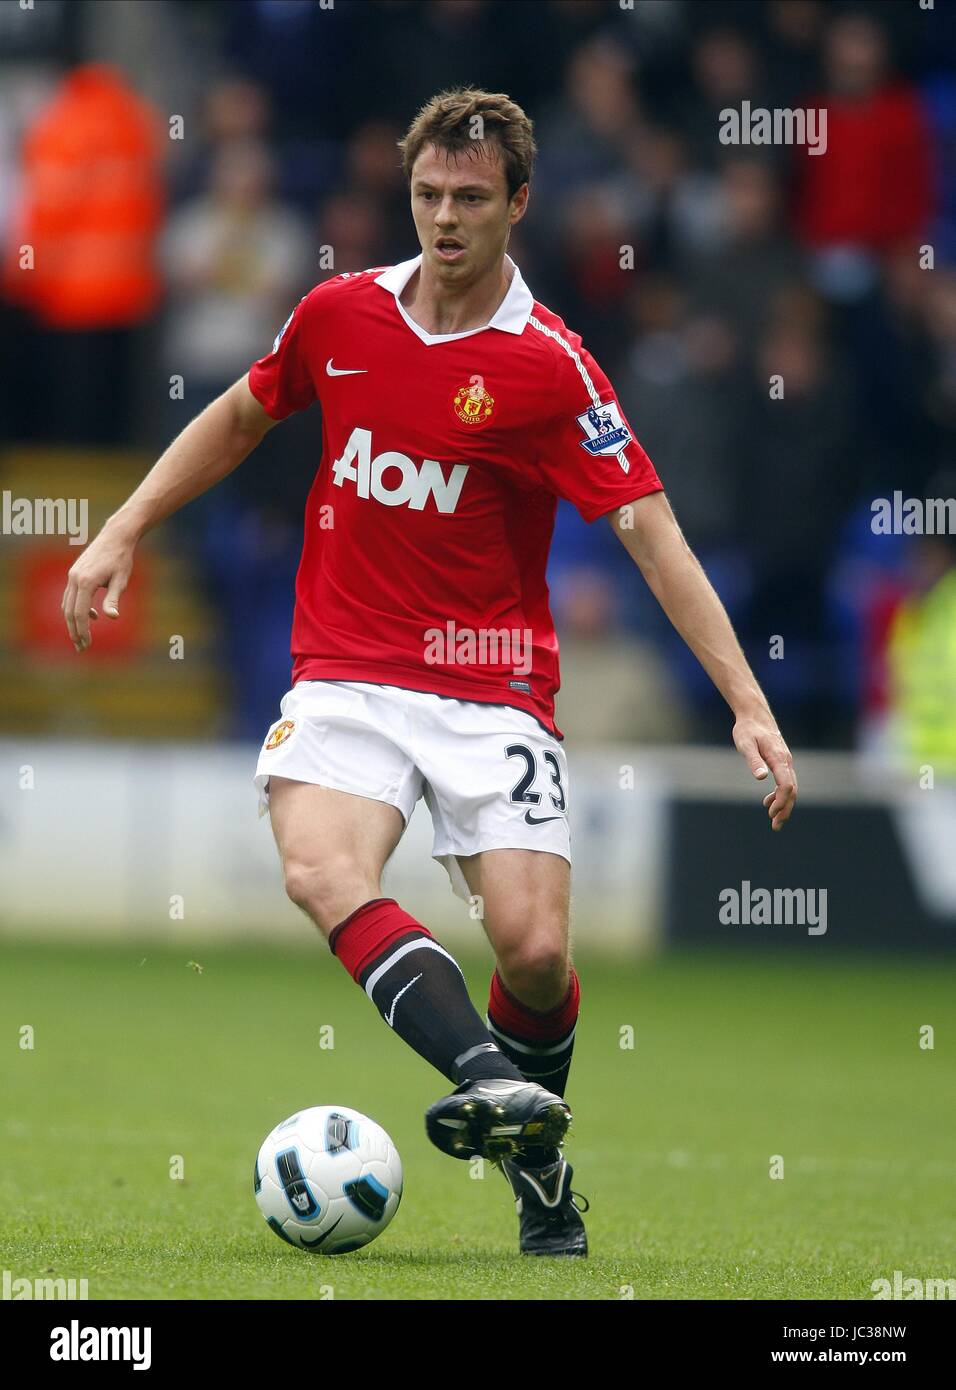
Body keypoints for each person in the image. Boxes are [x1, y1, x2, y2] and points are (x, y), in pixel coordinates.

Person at [61, 89, 797, 1259]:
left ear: (517, 203)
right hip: (346, 671)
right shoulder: (337, 314)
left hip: (490, 686)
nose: (444, 217)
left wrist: (745, 702)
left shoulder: (551, 368)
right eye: (427, 196)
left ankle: (537, 1164)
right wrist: (124, 525)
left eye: (468, 198)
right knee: (319, 867)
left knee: (536, 950)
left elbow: (649, 534)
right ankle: (484, 1077)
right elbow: (245, 415)